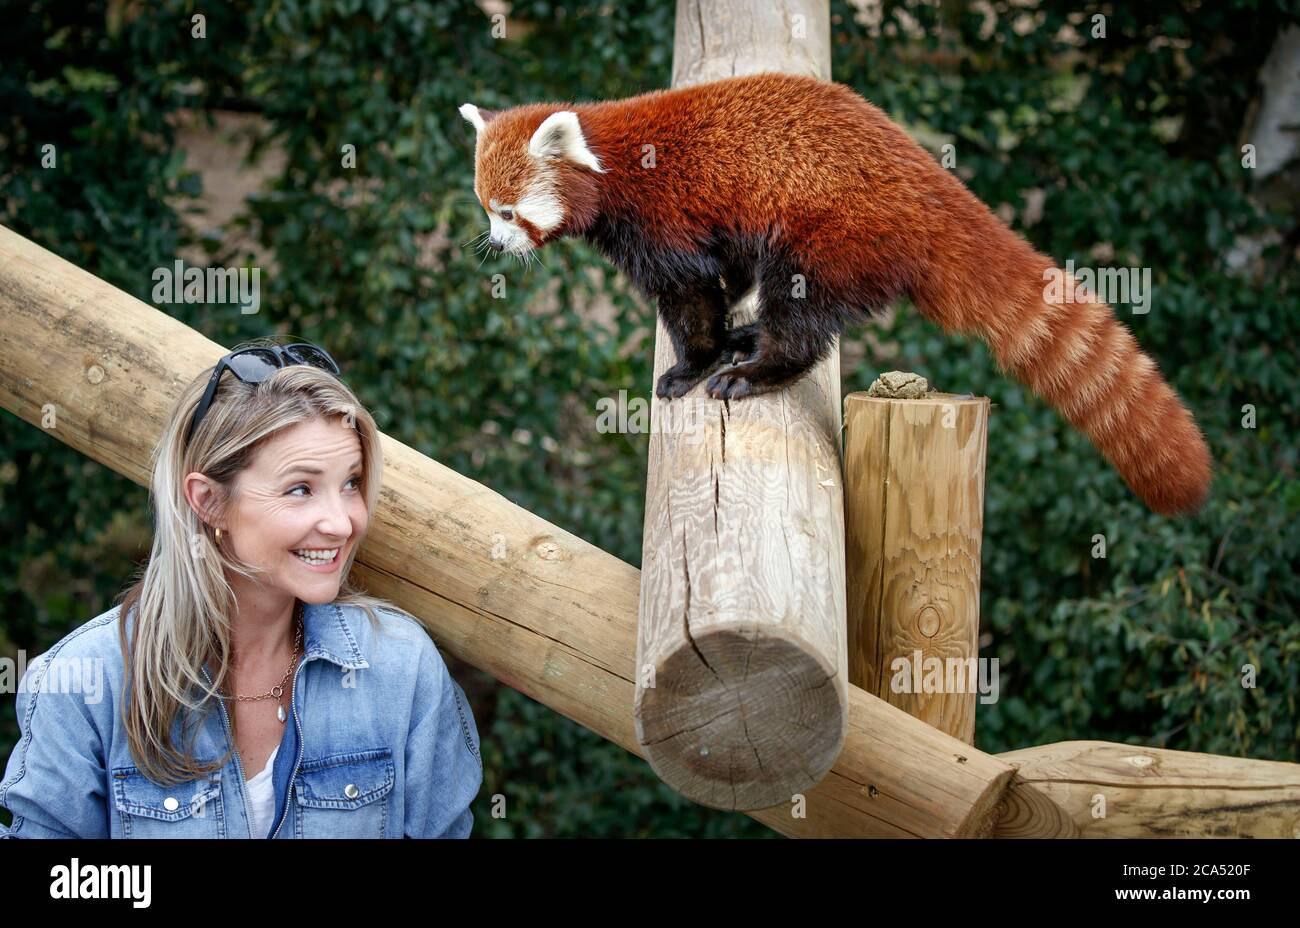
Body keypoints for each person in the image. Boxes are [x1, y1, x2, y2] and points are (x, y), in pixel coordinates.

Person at [0, 339, 482, 838]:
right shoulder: (85, 683)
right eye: (300, 489)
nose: (343, 523)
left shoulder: (401, 668)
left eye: (352, 483)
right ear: (209, 502)